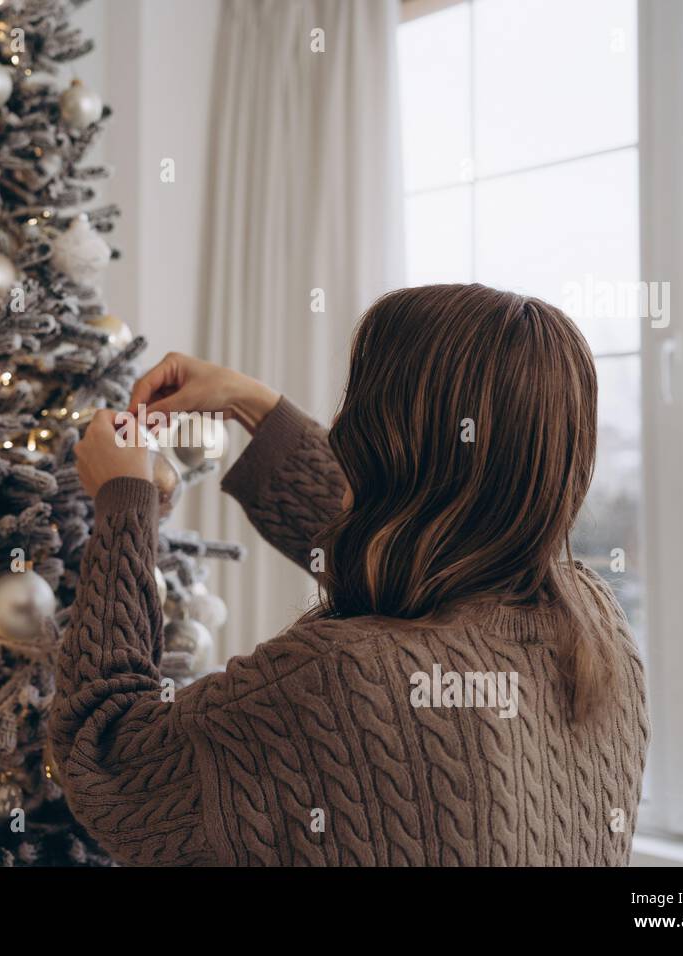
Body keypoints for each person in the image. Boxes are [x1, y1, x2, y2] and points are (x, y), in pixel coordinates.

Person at [48, 284, 649, 866]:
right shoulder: (593, 622)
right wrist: (253, 405)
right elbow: (415, 550)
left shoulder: (338, 677)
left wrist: (125, 502)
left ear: (379, 439)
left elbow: (110, 761)